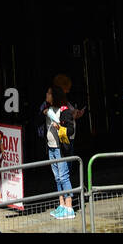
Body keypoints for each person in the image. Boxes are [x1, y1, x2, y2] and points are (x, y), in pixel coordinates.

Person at [42, 85, 75, 220]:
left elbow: (70, 130)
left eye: (49, 93)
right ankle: (61, 204)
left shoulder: (64, 110)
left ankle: (69, 207)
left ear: (55, 96)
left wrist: (60, 126)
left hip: (60, 148)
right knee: (57, 177)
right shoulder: (50, 109)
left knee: (64, 176)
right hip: (51, 147)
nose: (47, 95)